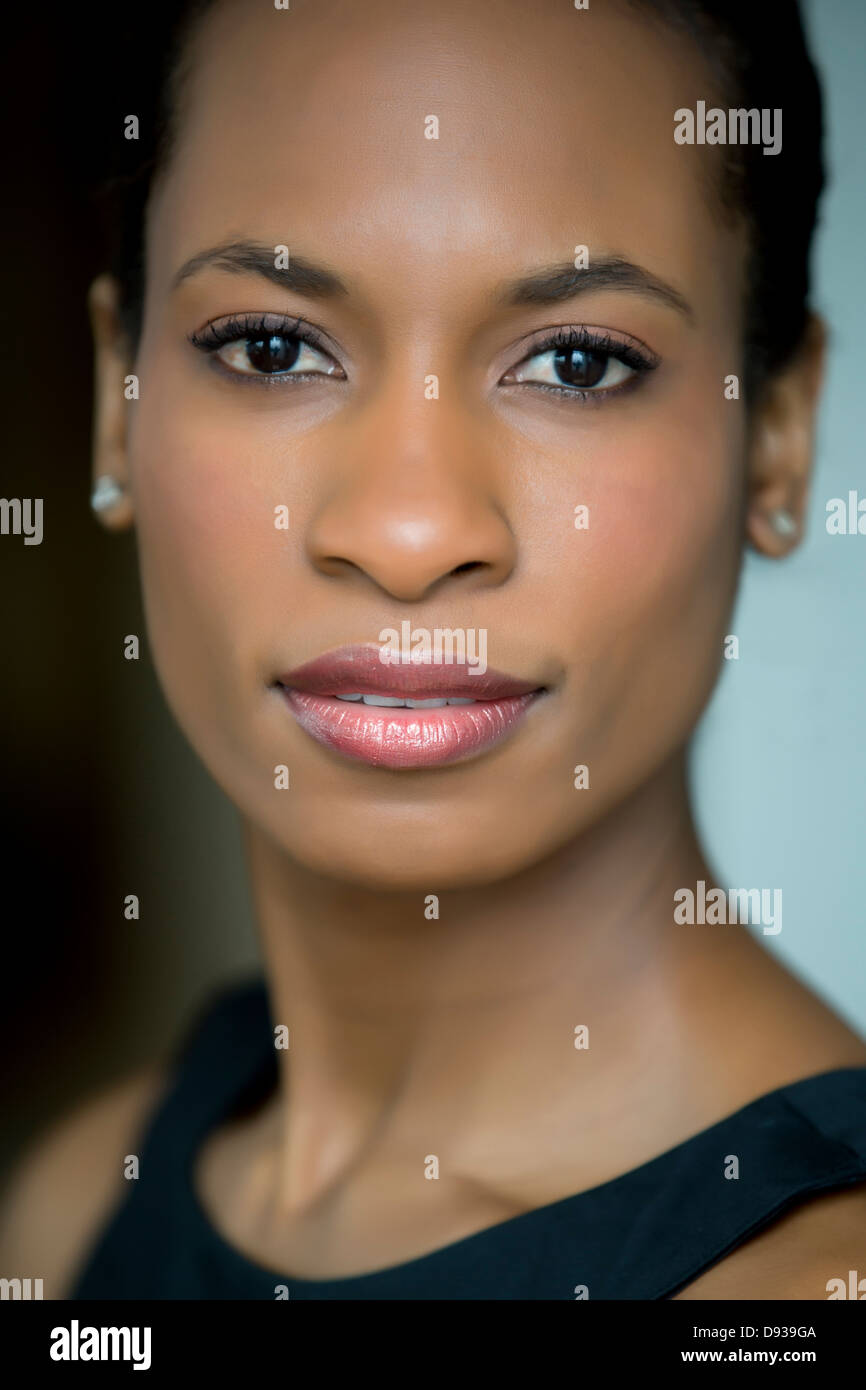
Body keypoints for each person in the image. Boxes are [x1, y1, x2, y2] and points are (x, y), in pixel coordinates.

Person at [2, 0, 866, 1300]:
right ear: (116, 403)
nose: (408, 534)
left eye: (576, 363)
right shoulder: (76, 1209)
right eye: (273, 346)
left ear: (781, 434)